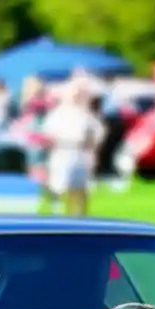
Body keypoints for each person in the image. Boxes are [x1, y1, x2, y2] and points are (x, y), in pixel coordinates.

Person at [40, 78, 106, 216]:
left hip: (82, 152)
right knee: (58, 187)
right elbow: (48, 134)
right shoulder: (58, 113)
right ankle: (56, 214)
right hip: (63, 151)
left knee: (80, 189)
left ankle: (80, 216)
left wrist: (93, 149)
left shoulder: (87, 114)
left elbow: (99, 133)